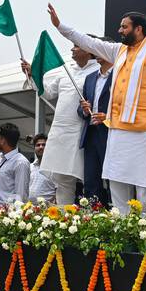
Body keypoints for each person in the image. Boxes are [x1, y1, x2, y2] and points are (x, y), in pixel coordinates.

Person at [50, 5, 146, 213]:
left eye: (124, 27)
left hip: (145, 131)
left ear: (139, 29)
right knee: (117, 183)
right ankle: (121, 232)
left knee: (145, 188)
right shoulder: (118, 51)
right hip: (117, 129)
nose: (119, 31)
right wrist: (60, 26)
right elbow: (88, 42)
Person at [21, 45, 93, 206]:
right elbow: (47, 93)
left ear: (89, 49)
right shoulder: (65, 70)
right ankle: (63, 221)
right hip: (59, 131)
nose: (72, 49)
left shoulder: (97, 71)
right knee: (62, 180)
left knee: (87, 180)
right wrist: (33, 75)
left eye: (77, 46)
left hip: (81, 132)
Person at [79, 53, 113, 206]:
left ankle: (117, 215)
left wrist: (108, 117)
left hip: (111, 133)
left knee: (114, 179)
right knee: (91, 180)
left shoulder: (120, 75)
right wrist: (85, 110)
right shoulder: (90, 78)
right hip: (91, 134)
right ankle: (93, 218)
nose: (97, 53)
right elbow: (80, 110)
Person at [0, 122, 31, 209]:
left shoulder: (20, 162)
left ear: (3, 141)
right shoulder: (1, 157)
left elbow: (21, 196)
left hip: (6, 217)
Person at [28, 133, 56, 202]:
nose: (41, 147)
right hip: (29, 209)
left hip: (47, 211)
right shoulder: (30, 167)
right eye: (38, 145)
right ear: (34, 148)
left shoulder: (55, 168)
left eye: (44, 145)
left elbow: (59, 192)